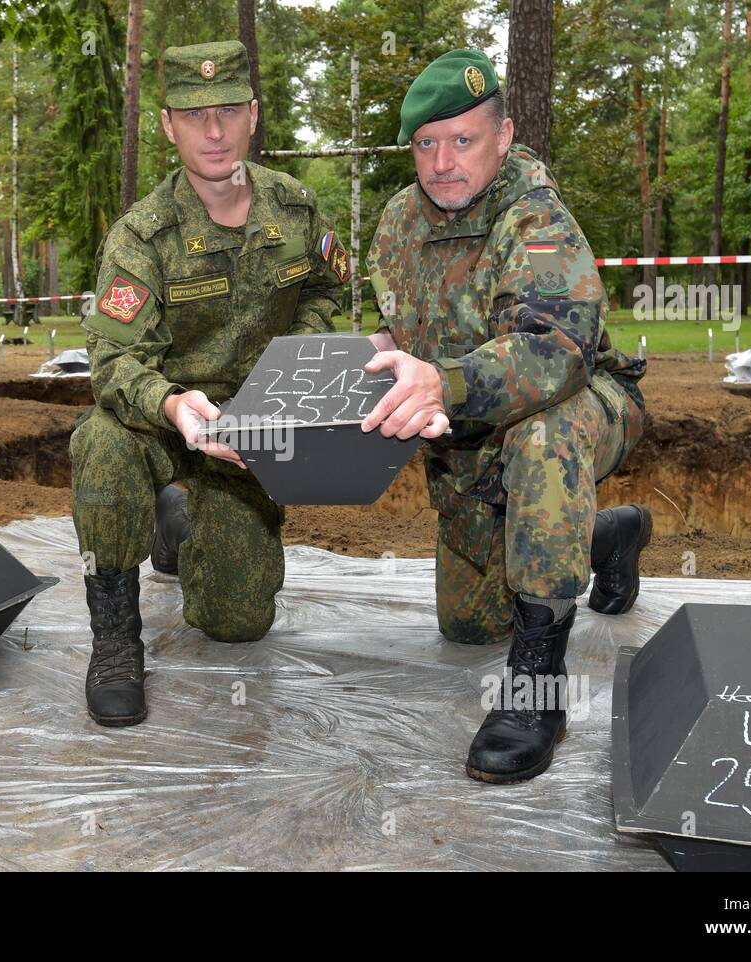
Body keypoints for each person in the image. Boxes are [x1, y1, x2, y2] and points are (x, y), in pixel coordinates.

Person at [363, 49, 652, 783]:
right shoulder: (398, 225)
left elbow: (555, 348)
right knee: (468, 628)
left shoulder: (535, 215)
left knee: (543, 431)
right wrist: (378, 353)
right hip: (466, 439)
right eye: (426, 143)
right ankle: (604, 536)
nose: (442, 162)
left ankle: (537, 695)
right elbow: (400, 329)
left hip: (582, 407)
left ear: (504, 134)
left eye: (462, 139)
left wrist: (444, 384)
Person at [70, 40, 347, 727]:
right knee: (100, 443)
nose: (214, 131)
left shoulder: (297, 211)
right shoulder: (142, 236)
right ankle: (113, 637)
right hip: (166, 422)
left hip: (248, 433)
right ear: (168, 126)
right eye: (194, 116)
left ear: (254, 114)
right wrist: (172, 403)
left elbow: (330, 294)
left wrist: (297, 366)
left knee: (237, 623)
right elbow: (111, 363)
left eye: (228, 110)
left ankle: (177, 524)